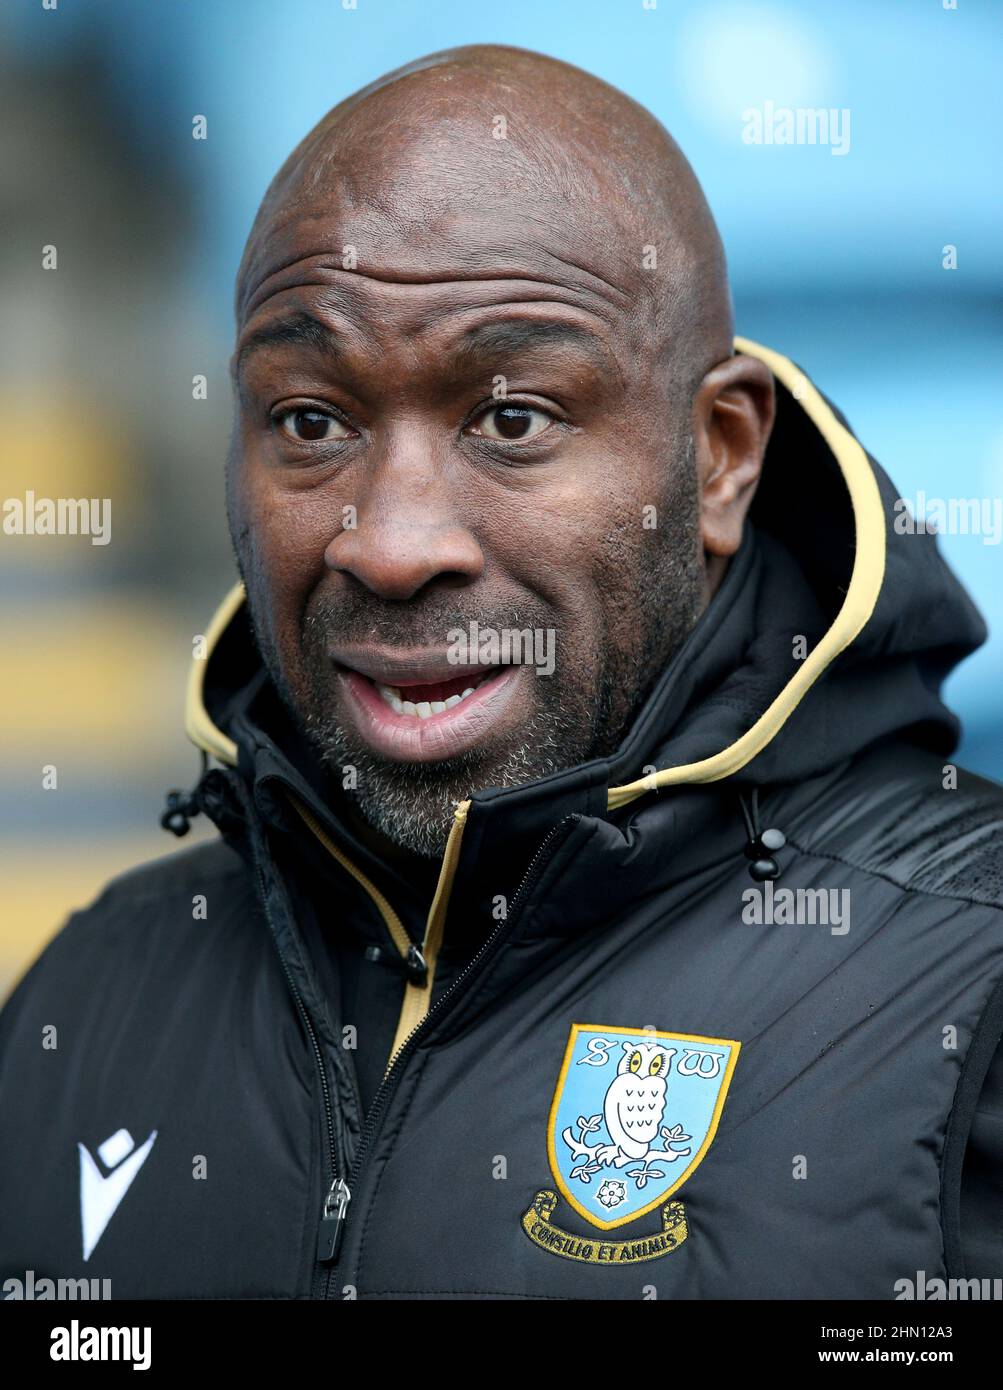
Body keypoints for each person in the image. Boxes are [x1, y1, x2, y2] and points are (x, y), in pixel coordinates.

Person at [2, 44, 1001, 1301]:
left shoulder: (973, 983)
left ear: (722, 457)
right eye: (311, 421)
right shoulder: (89, 996)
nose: (395, 542)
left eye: (513, 418)